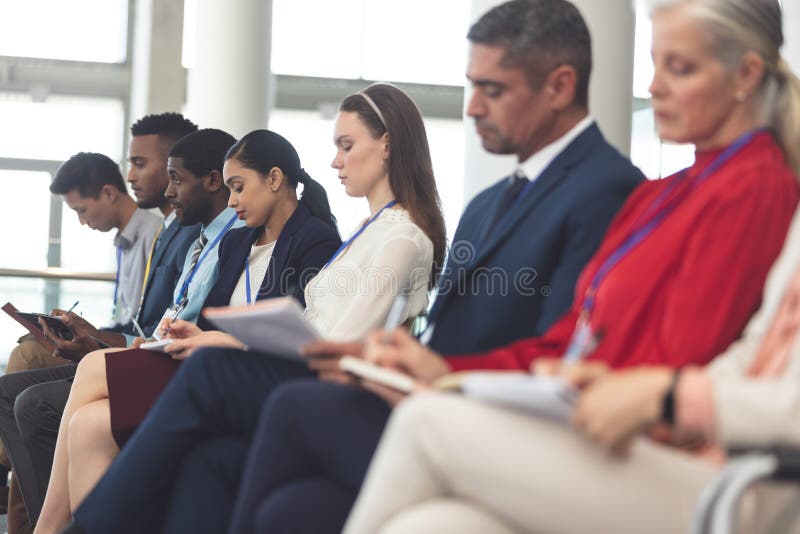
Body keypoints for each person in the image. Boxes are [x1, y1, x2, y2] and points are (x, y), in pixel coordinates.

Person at [224, 0, 800, 531]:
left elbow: (677, 361)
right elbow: (571, 342)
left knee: (371, 418)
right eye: (654, 65)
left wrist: (457, 383)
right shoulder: (660, 195)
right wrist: (441, 371)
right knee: (409, 522)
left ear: (746, 76)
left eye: (680, 68)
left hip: (639, 443)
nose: (652, 88)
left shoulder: (751, 189)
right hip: (587, 415)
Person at [64, 83, 447, 534]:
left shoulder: (400, 238)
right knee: (207, 460)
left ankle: (87, 529)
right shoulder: (370, 229)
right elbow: (317, 329)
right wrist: (222, 336)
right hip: (301, 372)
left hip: (329, 388)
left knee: (207, 372)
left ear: (386, 144)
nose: (334, 162)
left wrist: (227, 340)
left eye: (347, 146)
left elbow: (335, 345)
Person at [32, 127, 241, 534]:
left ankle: (46, 529)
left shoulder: (229, 238)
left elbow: (193, 322)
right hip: (165, 346)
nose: (168, 191)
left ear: (213, 181)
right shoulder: (197, 238)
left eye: (174, 178)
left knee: (78, 377)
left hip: (192, 362)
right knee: (86, 417)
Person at [0, 113, 199, 533]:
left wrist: (96, 338)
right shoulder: (162, 233)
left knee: (27, 390)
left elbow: (156, 325)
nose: (133, 176)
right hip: (139, 343)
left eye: (141, 165)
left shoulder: (169, 232)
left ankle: (33, 511)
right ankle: (29, 508)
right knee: (21, 372)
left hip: (155, 354)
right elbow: (143, 318)